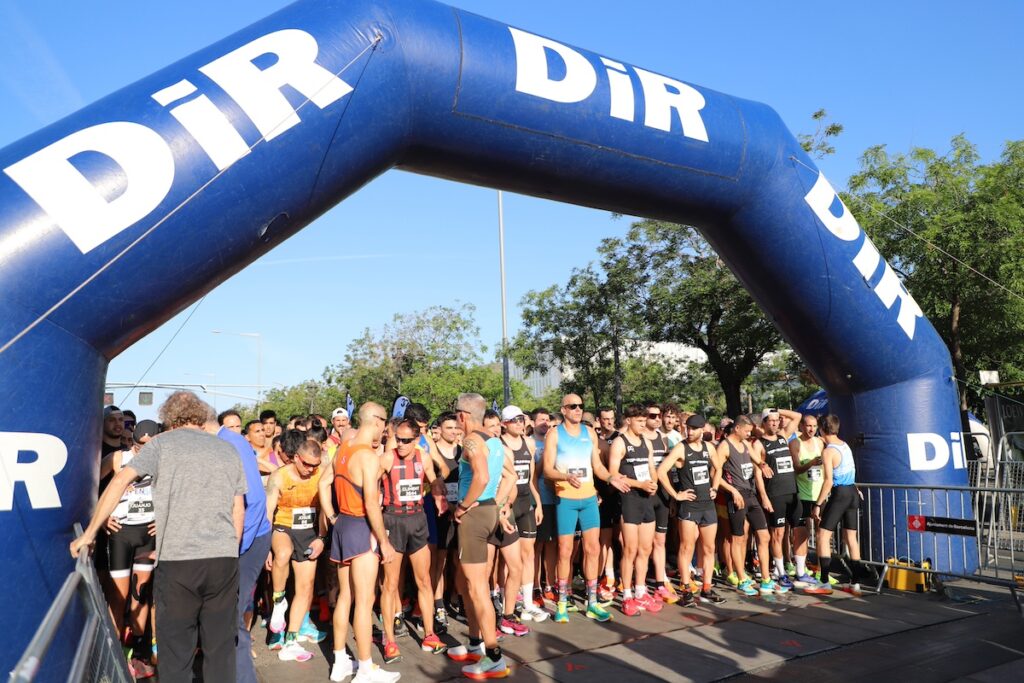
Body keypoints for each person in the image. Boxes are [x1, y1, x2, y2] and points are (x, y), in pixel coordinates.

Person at [72, 391, 246, 683]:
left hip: (178, 561)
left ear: (169, 418)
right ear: (201, 417)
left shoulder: (161, 445)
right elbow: (238, 507)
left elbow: (120, 480)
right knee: (220, 649)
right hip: (223, 560)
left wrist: (90, 533)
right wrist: (231, 551)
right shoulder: (227, 450)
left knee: (176, 650)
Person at [319, 402, 400, 683]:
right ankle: (366, 669)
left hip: (343, 525)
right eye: (384, 423)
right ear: (377, 421)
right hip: (360, 527)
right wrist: (384, 542)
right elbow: (371, 504)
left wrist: (332, 516)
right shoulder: (367, 455)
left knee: (345, 596)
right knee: (364, 602)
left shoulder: (343, 449)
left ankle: (340, 660)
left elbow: (323, 483)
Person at [543, 394, 630, 624]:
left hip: (589, 499)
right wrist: (565, 476)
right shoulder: (555, 434)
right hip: (566, 500)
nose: (578, 410)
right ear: (563, 409)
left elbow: (598, 466)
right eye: (573, 406)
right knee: (565, 551)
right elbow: (547, 470)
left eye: (581, 406)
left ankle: (592, 603)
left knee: (593, 549)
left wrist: (612, 478)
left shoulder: (589, 433)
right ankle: (562, 602)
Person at [446, 393, 511, 679]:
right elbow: (509, 477)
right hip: (487, 511)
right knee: (470, 584)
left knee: (477, 588)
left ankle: (493, 655)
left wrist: (462, 506)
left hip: (474, 515)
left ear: (463, 415)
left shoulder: (472, 441)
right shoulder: (495, 440)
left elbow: (482, 478)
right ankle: (475, 643)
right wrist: (495, 505)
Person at [378, 419, 448, 663]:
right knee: (390, 583)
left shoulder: (422, 457)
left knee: (424, 580)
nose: (401, 444)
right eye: (398, 439)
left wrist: (439, 495)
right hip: (393, 520)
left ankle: (429, 634)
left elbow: (435, 478)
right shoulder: (388, 458)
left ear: (417, 439)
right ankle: (390, 640)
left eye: (406, 440)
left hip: (417, 519)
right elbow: (369, 485)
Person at [217, 417, 273, 683]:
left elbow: (254, 503)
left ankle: (240, 673)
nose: (235, 429)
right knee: (228, 610)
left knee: (234, 610)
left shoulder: (233, 444)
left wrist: (237, 546)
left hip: (249, 539)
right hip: (235, 541)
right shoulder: (225, 443)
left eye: (238, 425)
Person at [104, 419, 159, 677]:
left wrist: (165, 519)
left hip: (147, 532)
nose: (142, 452)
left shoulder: (165, 460)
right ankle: (112, 653)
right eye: (138, 446)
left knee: (141, 594)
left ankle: (139, 654)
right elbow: (90, 484)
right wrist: (102, 516)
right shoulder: (118, 458)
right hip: (121, 533)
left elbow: (178, 494)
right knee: (119, 596)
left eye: (148, 446)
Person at [265, 439, 328, 661]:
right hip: (283, 526)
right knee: (282, 554)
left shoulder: (321, 474)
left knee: (305, 587)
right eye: (307, 464)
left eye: (315, 465)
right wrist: (266, 550)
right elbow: (268, 512)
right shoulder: (279, 476)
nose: (311, 469)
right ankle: (279, 601)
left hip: (310, 533)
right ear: (296, 458)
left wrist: (321, 538)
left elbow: (325, 509)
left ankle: (291, 639)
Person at [658, 414, 726, 607]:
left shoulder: (708, 447)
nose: (690, 431)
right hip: (689, 505)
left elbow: (718, 468)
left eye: (694, 429)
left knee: (709, 548)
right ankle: (686, 588)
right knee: (686, 547)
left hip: (707, 504)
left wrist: (714, 487)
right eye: (688, 428)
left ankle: (706, 588)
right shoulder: (681, 447)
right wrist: (676, 495)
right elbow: (662, 471)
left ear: (702, 429)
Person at [717, 415, 788, 596]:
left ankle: (766, 579)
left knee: (763, 536)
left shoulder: (745, 444)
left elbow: (757, 458)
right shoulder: (725, 446)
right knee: (738, 538)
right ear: (737, 429)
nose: (749, 434)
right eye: (747, 431)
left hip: (750, 494)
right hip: (736, 497)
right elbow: (715, 477)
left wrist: (763, 465)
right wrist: (732, 491)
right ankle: (741, 579)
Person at [607, 404, 662, 617]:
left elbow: (651, 469)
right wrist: (640, 485)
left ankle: (641, 591)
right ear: (629, 420)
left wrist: (654, 483)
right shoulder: (620, 443)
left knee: (645, 548)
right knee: (630, 549)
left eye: (644, 420)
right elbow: (613, 474)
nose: (643, 424)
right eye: (639, 421)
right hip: (629, 500)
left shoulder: (646, 442)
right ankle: (627, 595)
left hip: (647, 499)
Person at [500, 405, 548, 623]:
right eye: (514, 421)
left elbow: (531, 478)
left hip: (525, 501)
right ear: (504, 424)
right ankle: (506, 600)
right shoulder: (499, 445)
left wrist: (538, 503)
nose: (519, 424)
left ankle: (527, 603)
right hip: (506, 504)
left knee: (527, 554)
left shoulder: (528, 443)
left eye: (521, 420)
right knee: (507, 558)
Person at [809, 414, 864, 596]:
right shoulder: (844, 445)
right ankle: (855, 583)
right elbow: (851, 470)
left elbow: (828, 481)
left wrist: (818, 504)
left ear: (822, 429)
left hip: (840, 494)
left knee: (823, 536)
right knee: (851, 538)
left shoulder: (828, 451)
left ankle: (824, 583)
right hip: (852, 492)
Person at [752, 408, 802, 590]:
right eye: (770, 420)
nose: (774, 423)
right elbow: (758, 473)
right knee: (778, 534)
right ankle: (780, 572)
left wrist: (777, 410)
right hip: (775, 494)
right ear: (764, 423)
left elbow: (797, 417)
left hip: (792, 491)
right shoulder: (759, 444)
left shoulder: (783, 436)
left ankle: (797, 569)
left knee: (796, 531)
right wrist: (764, 497)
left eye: (776, 420)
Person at [643, 402, 677, 604]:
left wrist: (672, 497)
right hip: (645, 494)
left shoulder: (664, 439)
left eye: (659, 416)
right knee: (643, 544)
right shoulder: (638, 439)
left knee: (660, 541)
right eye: (653, 416)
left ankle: (660, 581)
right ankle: (638, 584)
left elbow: (668, 470)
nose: (657, 419)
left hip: (662, 495)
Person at [790, 414, 825, 586]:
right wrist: (810, 463)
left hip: (819, 495)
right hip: (803, 495)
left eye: (814, 426)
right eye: (808, 426)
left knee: (822, 534)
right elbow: (796, 468)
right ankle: (801, 571)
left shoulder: (820, 442)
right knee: (802, 534)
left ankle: (821, 571)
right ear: (802, 427)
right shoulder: (796, 443)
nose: (811, 429)